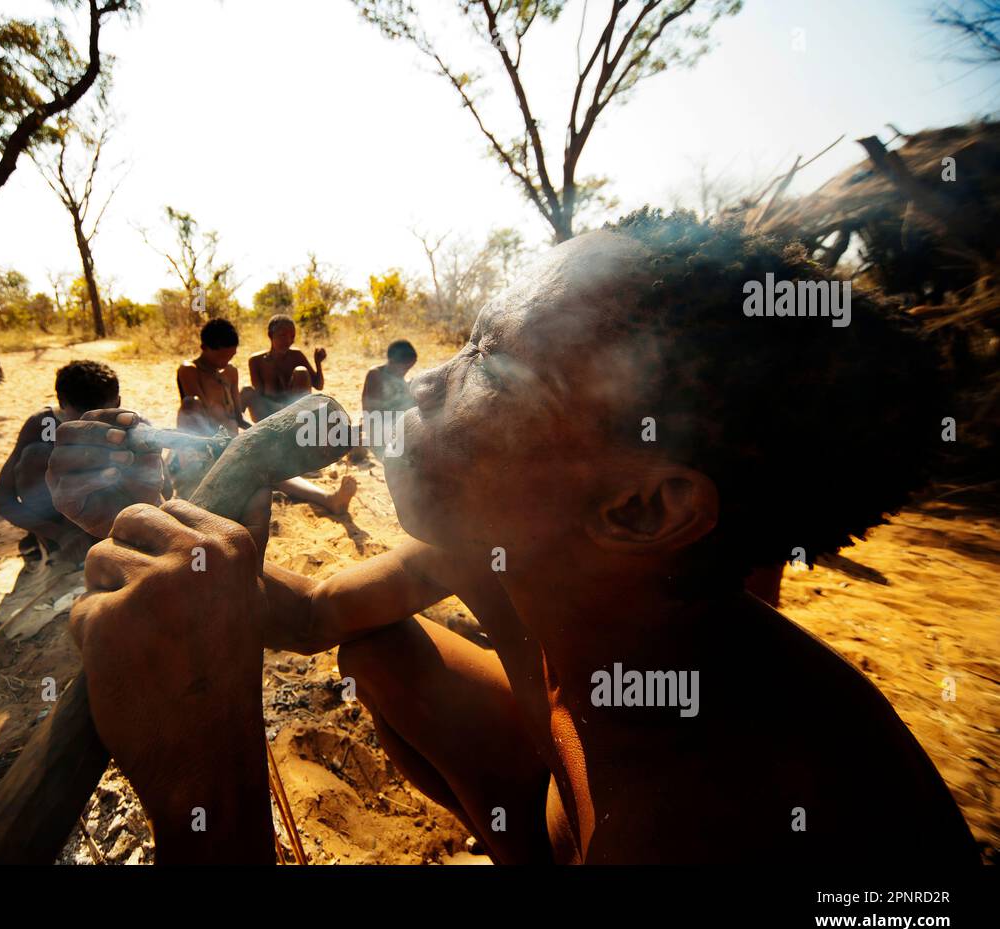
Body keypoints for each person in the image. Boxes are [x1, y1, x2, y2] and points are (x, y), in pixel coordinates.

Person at [47, 210, 978, 864]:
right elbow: (319, 610)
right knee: (379, 648)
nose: (415, 385)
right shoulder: (545, 553)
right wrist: (196, 561)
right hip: (565, 814)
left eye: (491, 359)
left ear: (642, 508)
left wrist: (204, 782)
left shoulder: (709, 819)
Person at [173, 318, 356, 512]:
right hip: (204, 444)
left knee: (267, 462)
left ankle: (329, 499)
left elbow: (238, 417)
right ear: (204, 348)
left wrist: (263, 434)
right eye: (221, 357)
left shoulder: (230, 372)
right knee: (191, 405)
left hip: (231, 442)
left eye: (230, 356)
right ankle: (197, 473)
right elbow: (197, 412)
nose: (226, 362)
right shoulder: (189, 370)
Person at [0, 360, 124, 562]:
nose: (91, 427)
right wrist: (59, 533)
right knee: (37, 453)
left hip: (106, 524)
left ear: (118, 403)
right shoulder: (44, 425)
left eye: (100, 418)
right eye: (82, 420)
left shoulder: (127, 426)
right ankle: (46, 543)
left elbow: (162, 490)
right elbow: (1, 499)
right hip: (57, 524)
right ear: (61, 404)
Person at [246, 315, 325, 422]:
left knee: (301, 372)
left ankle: (300, 421)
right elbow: (259, 395)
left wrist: (318, 363)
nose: (288, 340)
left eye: (292, 336)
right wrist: (280, 408)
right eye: (282, 336)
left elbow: (318, 386)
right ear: (270, 335)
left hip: (294, 414)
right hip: (268, 415)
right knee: (246, 391)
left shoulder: (296, 355)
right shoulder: (256, 361)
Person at [361, 339, 417, 456]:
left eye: (409, 368)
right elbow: (372, 410)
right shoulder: (376, 375)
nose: (405, 372)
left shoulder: (399, 379)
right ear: (391, 361)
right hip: (380, 433)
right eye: (404, 368)